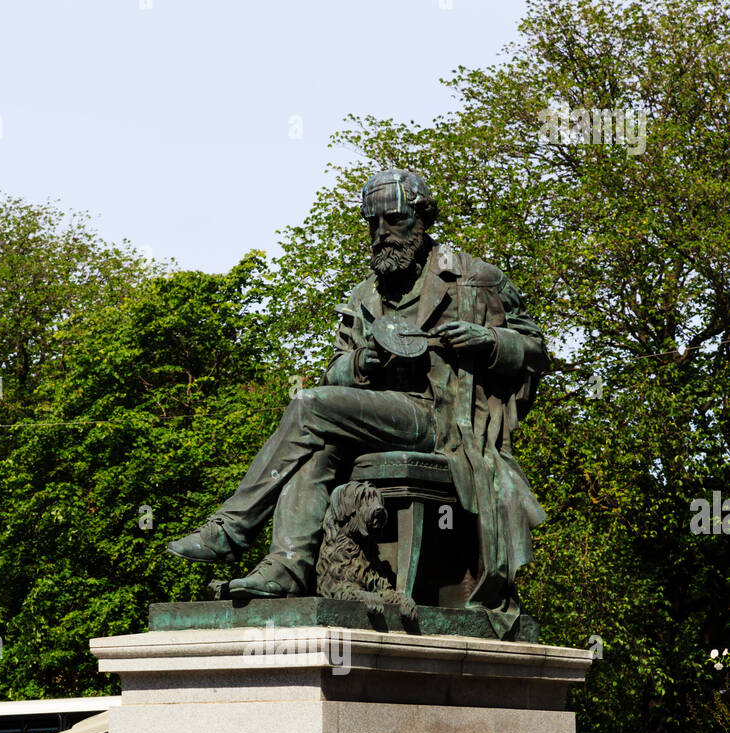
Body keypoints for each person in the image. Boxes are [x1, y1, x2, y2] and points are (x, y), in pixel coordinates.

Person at [168, 168, 548, 636]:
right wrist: (362, 362)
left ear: (423, 219)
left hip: (441, 420)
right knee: (314, 447)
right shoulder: (365, 293)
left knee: (309, 406)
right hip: (375, 414)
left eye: (395, 219)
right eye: (374, 223)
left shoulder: (475, 279)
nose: (383, 234)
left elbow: (535, 349)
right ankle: (285, 568)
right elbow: (335, 369)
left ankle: (233, 528)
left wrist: (486, 339)